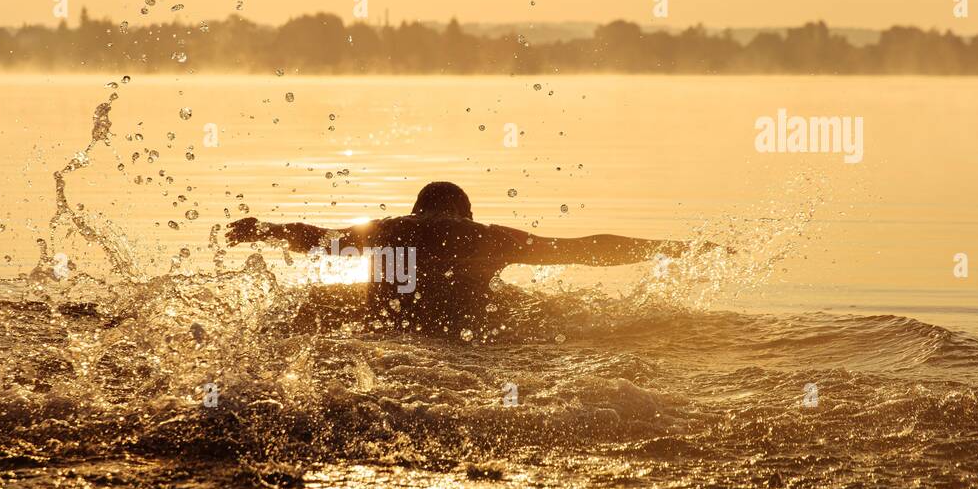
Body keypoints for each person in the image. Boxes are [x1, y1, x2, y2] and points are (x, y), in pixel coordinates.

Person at [226, 181, 722, 335]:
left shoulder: (386, 231)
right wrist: (667, 249)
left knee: (320, 306)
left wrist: (261, 230)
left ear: (416, 212)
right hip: (467, 334)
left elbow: (314, 239)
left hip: (391, 331)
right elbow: (584, 249)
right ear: (464, 214)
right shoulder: (488, 238)